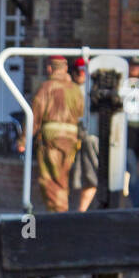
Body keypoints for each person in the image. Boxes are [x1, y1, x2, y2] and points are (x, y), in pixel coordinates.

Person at [29, 55, 83, 212]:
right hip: (71, 139)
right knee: (63, 179)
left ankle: (58, 217)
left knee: (51, 181)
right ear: (66, 68)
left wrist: (23, 140)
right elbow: (80, 112)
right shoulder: (76, 89)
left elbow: (35, 114)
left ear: (50, 68)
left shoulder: (46, 87)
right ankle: (60, 214)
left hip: (51, 139)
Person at [70, 58, 98, 212]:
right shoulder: (71, 89)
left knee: (90, 175)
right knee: (81, 177)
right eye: (80, 72)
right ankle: (79, 210)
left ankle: (82, 210)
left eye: (85, 72)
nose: (82, 75)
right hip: (75, 137)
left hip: (88, 137)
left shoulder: (92, 88)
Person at [121, 56, 139, 207]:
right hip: (126, 128)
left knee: (131, 166)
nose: (136, 68)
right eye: (133, 65)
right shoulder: (121, 83)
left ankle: (126, 199)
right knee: (132, 166)